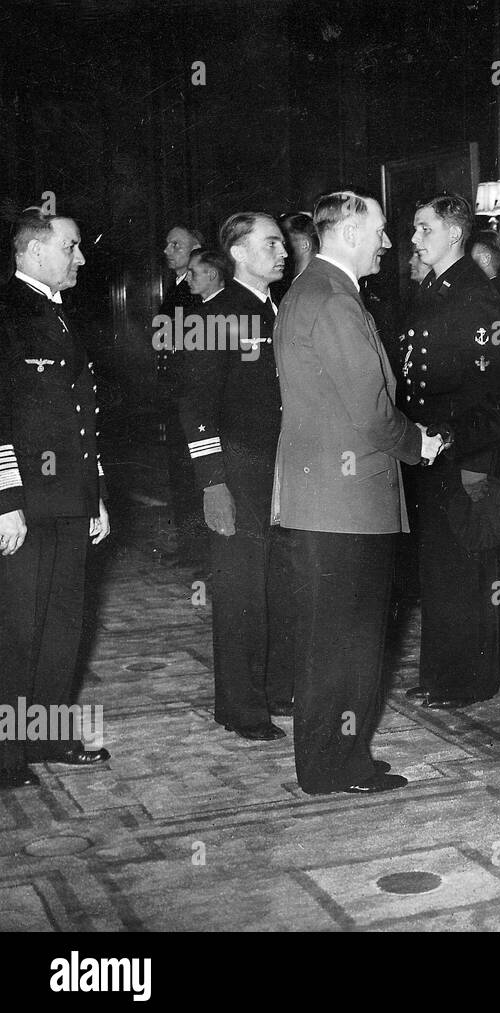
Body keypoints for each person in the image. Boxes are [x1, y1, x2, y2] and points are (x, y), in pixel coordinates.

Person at [272, 189, 445, 796]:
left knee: (327, 640)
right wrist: (419, 443)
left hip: (321, 500)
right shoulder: (337, 302)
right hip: (348, 504)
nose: (389, 244)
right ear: (349, 232)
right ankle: (336, 765)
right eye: (379, 231)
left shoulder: (306, 292)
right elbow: (372, 413)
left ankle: (327, 761)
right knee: (349, 643)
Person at [1, 210, 112, 788]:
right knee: (19, 627)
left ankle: (46, 735)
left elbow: (82, 417)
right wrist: (5, 500)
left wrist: (96, 495)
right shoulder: (8, 312)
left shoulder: (62, 314)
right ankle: (6, 754)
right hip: (25, 499)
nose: (82, 258)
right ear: (33, 251)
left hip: (70, 494)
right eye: (71, 247)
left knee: (63, 624)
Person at [176, 215, 296, 742]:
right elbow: (196, 405)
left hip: (280, 467)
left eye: (282, 243)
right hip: (237, 469)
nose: (283, 252)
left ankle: (275, 689)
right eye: (271, 243)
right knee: (241, 589)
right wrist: (212, 481)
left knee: (278, 583)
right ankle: (241, 708)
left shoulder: (276, 308)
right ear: (239, 253)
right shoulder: (217, 315)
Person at [397, 194, 500, 710]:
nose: (415, 238)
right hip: (429, 450)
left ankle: (469, 679)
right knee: (438, 567)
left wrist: (453, 441)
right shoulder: (432, 289)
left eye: (425, 229)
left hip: (463, 451)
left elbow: (487, 394)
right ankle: (440, 674)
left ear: (454, 234)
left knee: (466, 567)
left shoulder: (475, 295)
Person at [157, 224, 206, 568]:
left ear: (196, 249)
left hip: (192, 396)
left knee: (195, 472)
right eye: (167, 244)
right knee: (180, 472)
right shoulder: (175, 287)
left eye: (176, 245)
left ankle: (201, 548)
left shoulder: (199, 290)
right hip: (174, 395)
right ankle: (190, 545)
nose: (167, 250)